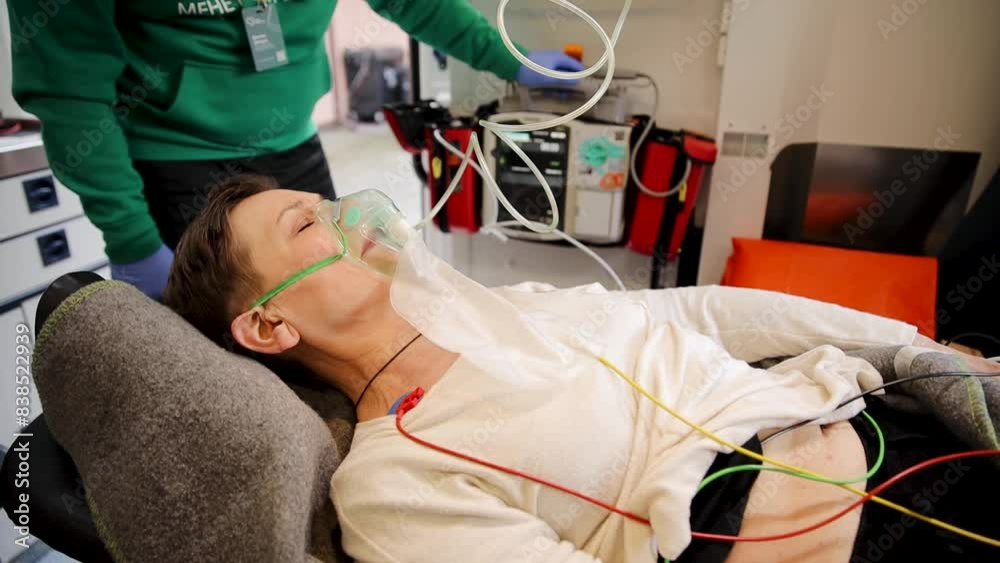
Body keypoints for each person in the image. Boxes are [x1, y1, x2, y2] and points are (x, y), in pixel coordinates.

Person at [163, 176, 1000, 563]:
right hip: (793, 514)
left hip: (865, 410)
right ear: (269, 322)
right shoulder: (392, 485)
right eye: (309, 223)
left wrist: (904, 345)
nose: (351, 216)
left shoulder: (515, 303)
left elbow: (703, 311)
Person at [8, 0, 583, 299]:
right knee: (238, 350)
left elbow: (419, 5)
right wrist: (132, 239)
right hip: (174, 157)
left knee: (342, 288)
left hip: (293, 140)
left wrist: (510, 58)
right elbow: (69, 86)